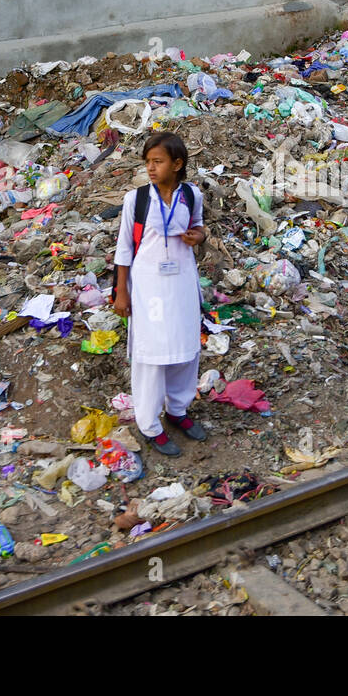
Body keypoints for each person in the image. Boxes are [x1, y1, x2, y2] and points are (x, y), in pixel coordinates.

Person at [113, 132, 209, 457]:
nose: (151, 168)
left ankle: (178, 411)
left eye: (158, 162)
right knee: (151, 355)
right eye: (148, 162)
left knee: (185, 350)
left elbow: (198, 226)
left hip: (182, 283)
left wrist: (200, 235)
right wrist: (121, 293)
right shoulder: (136, 200)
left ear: (177, 164)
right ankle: (150, 425)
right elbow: (124, 249)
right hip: (148, 288)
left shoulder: (191, 195)